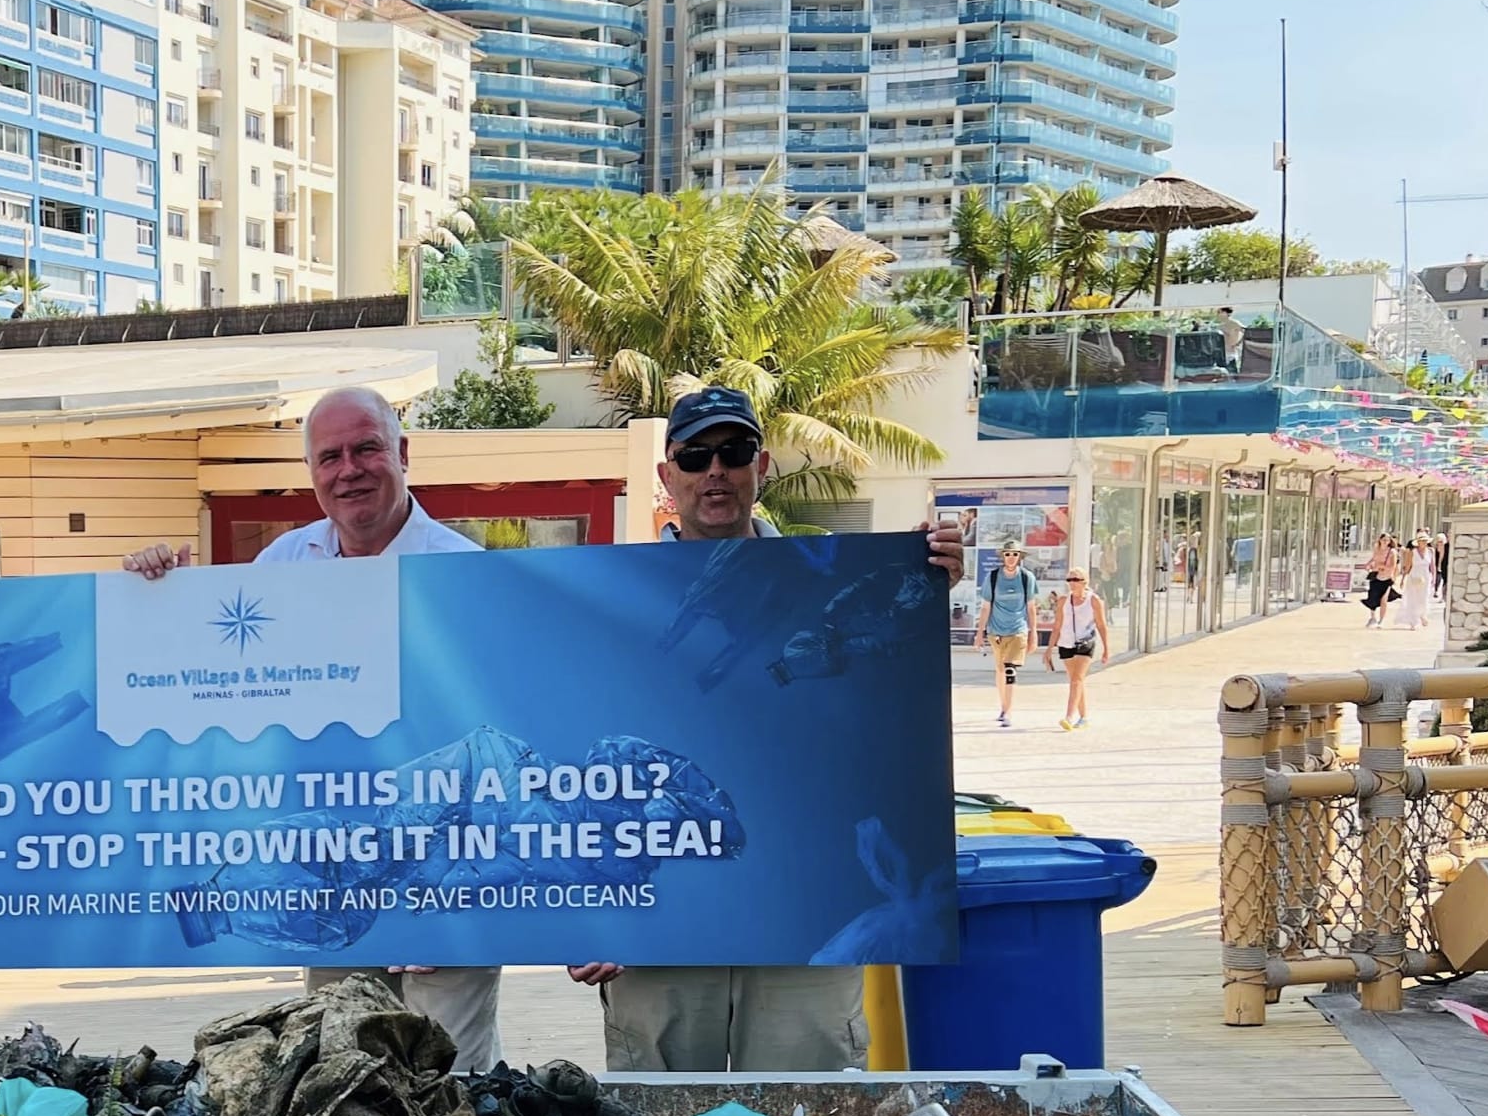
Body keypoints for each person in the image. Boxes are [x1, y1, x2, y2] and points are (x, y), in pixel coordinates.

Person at [566, 385, 970, 1075]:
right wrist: (589, 908)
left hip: (807, 913)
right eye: (695, 456)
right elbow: (574, 755)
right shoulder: (607, 600)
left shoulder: (840, 582)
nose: (714, 471)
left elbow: (889, 707)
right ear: (668, 476)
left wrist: (931, 583)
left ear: (764, 465)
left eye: (734, 451)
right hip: (664, 926)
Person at [122, 385, 505, 1068]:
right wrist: (163, 602)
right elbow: (228, 699)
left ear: (403, 453)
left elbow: (494, 729)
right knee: (341, 1076)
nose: (348, 470)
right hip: (329, 880)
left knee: (454, 1088)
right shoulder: (280, 569)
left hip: (441, 880)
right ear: (312, 473)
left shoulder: (466, 574)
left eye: (366, 449)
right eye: (330, 457)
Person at [982, 540, 1037, 728]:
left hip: (1017, 629)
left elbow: (1031, 607)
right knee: (999, 670)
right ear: (1003, 556)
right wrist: (979, 632)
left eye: (1014, 554)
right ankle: (1003, 706)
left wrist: (1033, 633)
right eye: (1008, 554)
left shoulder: (1026, 577)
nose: (1011, 558)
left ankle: (1008, 711)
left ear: (1020, 556)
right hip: (996, 630)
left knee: (1009, 668)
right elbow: (985, 606)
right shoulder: (993, 577)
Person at [1049, 569, 1101, 730]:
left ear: (1084, 581)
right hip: (1066, 642)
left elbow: (1101, 624)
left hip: (1086, 642)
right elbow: (1057, 625)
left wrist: (1106, 648)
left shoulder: (1094, 600)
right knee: (1075, 681)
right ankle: (1084, 717)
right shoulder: (1063, 600)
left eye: (1075, 579)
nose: (1072, 583)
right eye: (1069, 579)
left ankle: (1069, 717)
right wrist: (1049, 648)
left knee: (1076, 679)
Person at [1364, 534, 1399, 628]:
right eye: (1383, 540)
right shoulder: (1377, 549)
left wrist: (1382, 567)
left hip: (1387, 577)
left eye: (1387, 540)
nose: (1385, 542)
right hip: (1375, 576)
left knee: (1384, 599)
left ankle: (1382, 620)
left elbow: (1393, 566)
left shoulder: (1392, 552)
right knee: (1372, 597)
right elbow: (1373, 559)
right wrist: (1369, 565)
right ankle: (1372, 618)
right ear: (1380, 540)